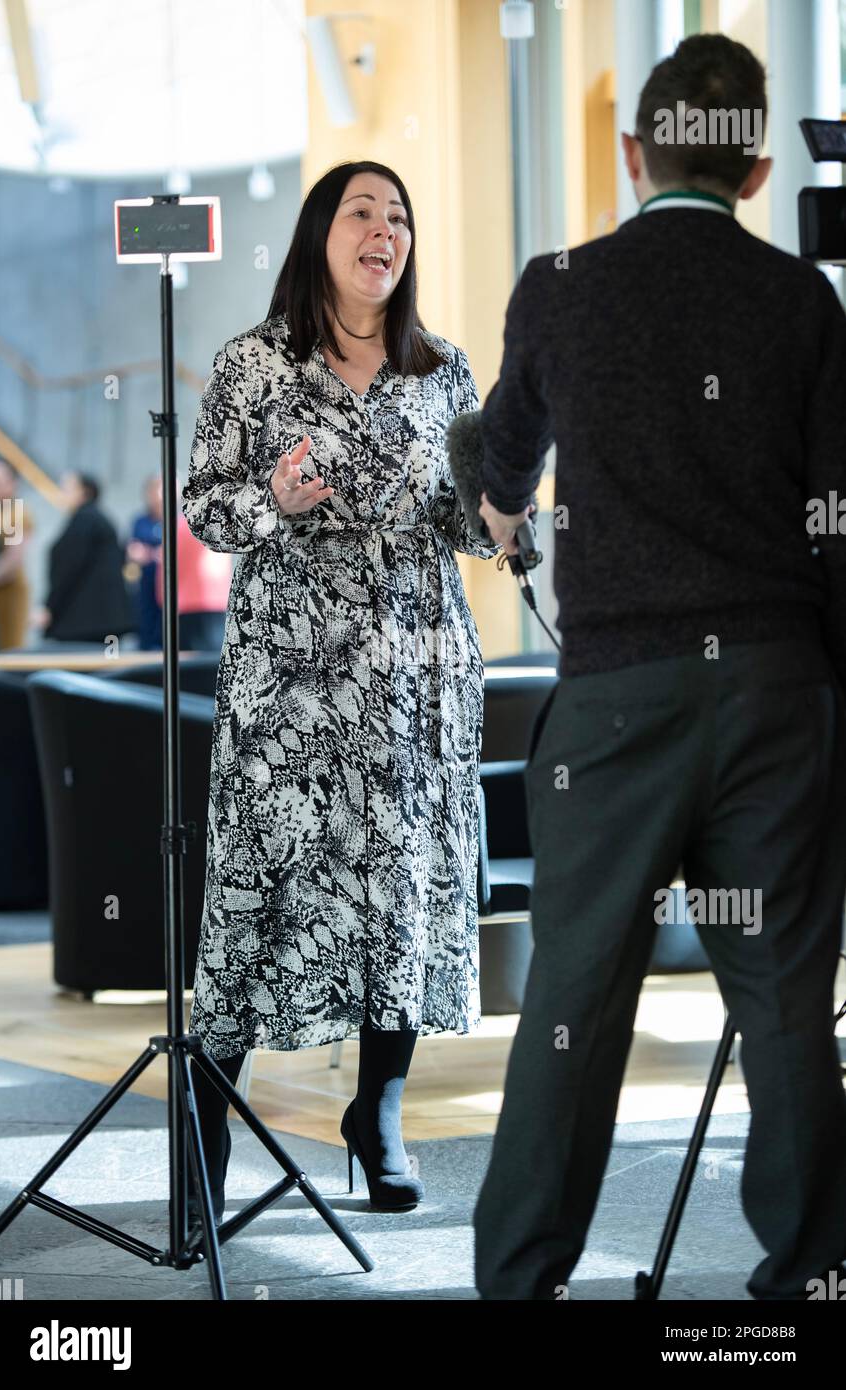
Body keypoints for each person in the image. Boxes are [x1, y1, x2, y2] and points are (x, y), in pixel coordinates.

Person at [472, 33, 846, 1301]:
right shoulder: (803, 301)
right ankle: (808, 1276)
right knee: (786, 1003)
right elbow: (834, 515)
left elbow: (498, 461)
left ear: (632, 155)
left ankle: (521, 1280)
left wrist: (500, 491)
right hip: (774, 690)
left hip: (616, 701)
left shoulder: (560, 285)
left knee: (574, 996)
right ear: (751, 168)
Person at [181, 160, 503, 1233]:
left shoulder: (441, 368)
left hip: (415, 684)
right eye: (363, 211)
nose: (385, 229)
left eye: (399, 215)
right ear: (321, 234)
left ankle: (380, 1111)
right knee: (254, 896)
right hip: (289, 693)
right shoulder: (250, 366)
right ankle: (205, 1130)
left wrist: (511, 520)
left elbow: (473, 520)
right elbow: (207, 513)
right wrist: (272, 497)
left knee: (397, 898)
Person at [35, 471, 134, 643]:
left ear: (84, 492)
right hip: (101, 622)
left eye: (66, 488)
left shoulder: (85, 520)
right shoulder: (96, 519)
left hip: (87, 625)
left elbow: (68, 567)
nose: (61, 493)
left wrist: (49, 607)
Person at [155, 507, 232, 651]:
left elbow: (166, 568)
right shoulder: (222, 525)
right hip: (217, 602)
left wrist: (163, 599)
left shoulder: (179, 527)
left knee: (188, 664)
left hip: (186, 605)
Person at [0, 458, 34, 651]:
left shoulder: (16, 513)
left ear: (13, 483)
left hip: (6, 593)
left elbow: (13, 560)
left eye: (0, 482)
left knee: (5, 649)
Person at [127, 475, 164, 650]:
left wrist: (150, 552)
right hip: (146, 584)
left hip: (170, 586)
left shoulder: (179, 521)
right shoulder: (141, 521)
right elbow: (134, 551)